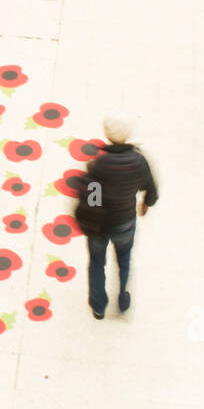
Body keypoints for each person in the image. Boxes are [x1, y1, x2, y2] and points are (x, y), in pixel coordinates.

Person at [72, 115, 159, 320]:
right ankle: (122, 299)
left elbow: (92, 199)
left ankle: (98, 306)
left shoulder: (98, 164)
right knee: (124, 260)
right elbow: (152, 191)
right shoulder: (139, 161)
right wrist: (145, 203)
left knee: (96, 263)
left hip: (99, 227)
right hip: (125, 222)